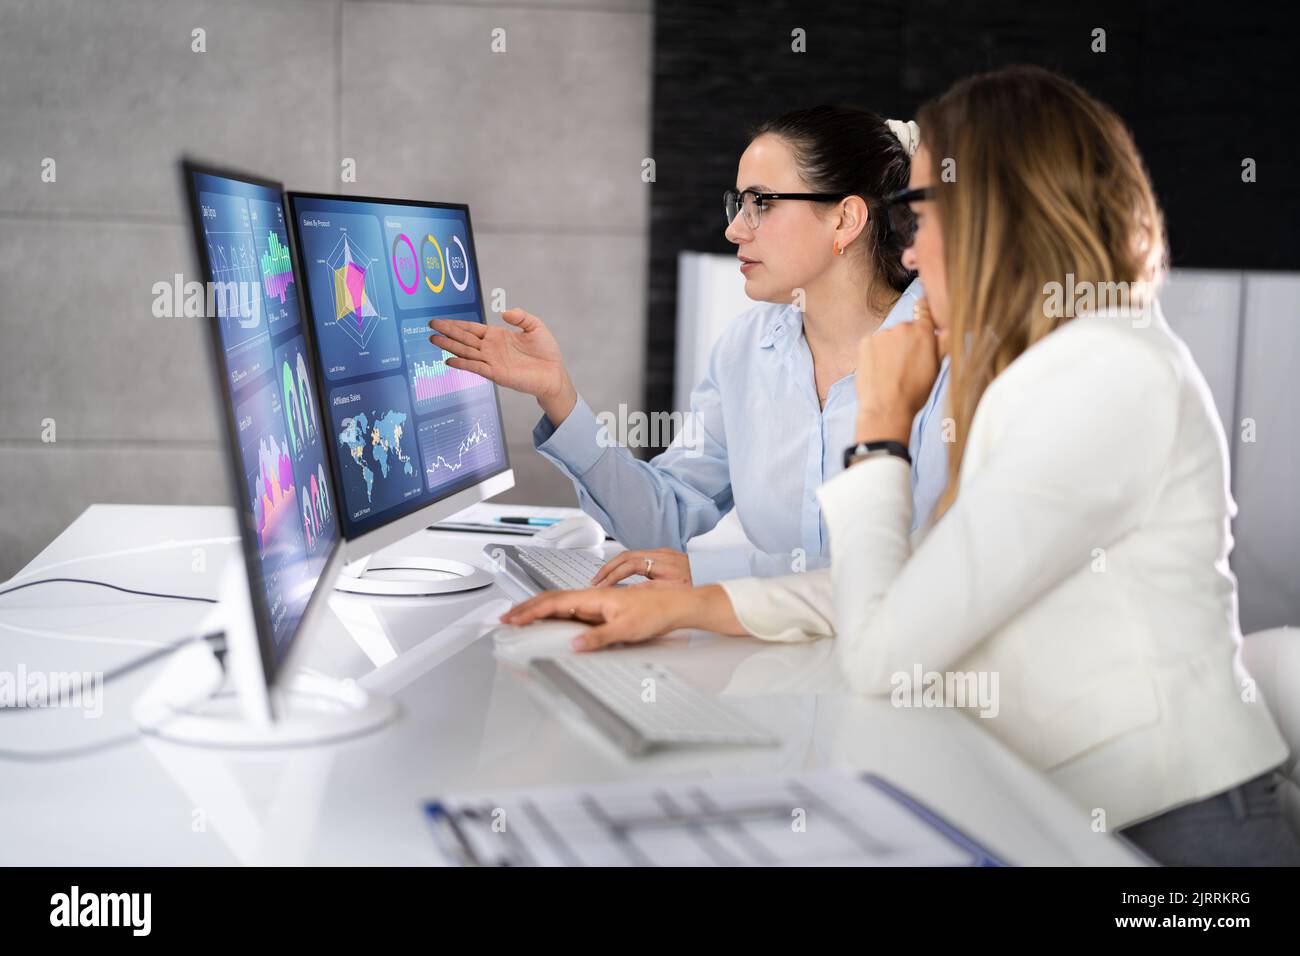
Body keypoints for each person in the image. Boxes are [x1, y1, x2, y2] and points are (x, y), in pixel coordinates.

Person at [498, 66, 1298, 865]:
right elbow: (917, 588)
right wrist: (692, 607)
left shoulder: (1100, 376)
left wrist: (880, 431)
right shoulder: (1050, 360)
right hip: (1066, 799)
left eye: (920, 212)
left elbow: (889, 644)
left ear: (994, 211)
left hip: (1177, 825)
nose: (909, 247)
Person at [430, 105, 949, 587]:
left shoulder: (958, 354)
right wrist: (559, 397)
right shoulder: (745, 350)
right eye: (738, 204)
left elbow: (921, 569)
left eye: (760, 204)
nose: (732, 230)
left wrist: (709, 574)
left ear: (845, 219)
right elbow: (666, 520)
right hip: (778, 657)